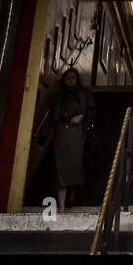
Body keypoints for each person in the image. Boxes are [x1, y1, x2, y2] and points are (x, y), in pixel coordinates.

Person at [49, 67, 95, 213]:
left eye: (73, 78)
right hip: (62, 131)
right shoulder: (58, 96)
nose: (70, 80)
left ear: (77, 79)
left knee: (75, 163)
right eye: (67, 77)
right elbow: (53, 114)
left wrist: (81, 117)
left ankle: (73, 189)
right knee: (60, 166)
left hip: (77, 132)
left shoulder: (84, 95)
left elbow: (92, 111)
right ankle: (61, 207)